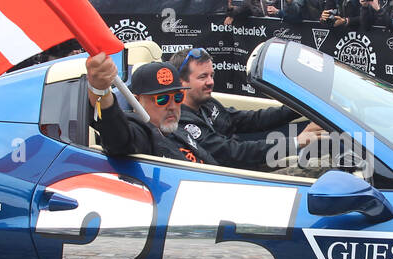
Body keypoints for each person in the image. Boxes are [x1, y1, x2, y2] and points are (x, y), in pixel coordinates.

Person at [170, 48, 317, 170]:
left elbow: (251, 120)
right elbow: (234, 153)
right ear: (181, 82)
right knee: (318, 170)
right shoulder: (180, 121)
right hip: (233, 179)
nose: (211, 82)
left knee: (322, 164)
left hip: (249, 168)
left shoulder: (205, 103)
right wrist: (296, 142)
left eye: (212, 75)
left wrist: (298, 107)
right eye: (203, 77)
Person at [86, 57, 214, 163]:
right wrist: (100, 92)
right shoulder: (141, 133)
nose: (172, 106)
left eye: (178, 96)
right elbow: (118, 137)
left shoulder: (176, 129)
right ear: (137, 101)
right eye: (162, 99)